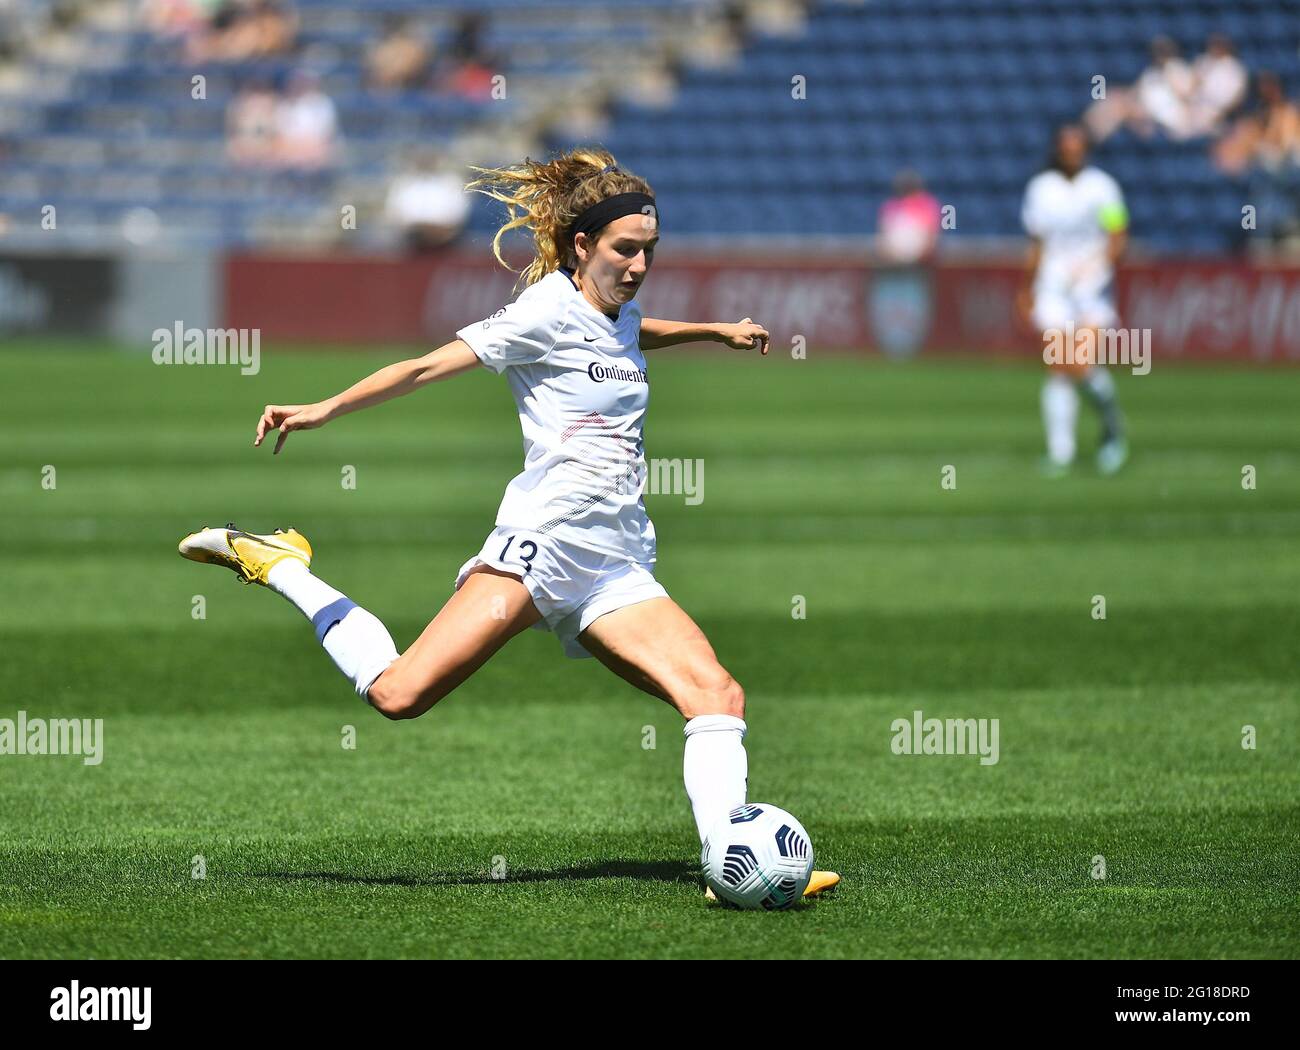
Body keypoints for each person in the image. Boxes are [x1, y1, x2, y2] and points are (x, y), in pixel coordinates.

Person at [177, 148, 839, 903]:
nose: (639, 265)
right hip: (542, 551)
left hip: (616, 561)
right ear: (582, 246)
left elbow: (629, 330)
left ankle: (733, 862)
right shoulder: (542, 312)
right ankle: (281, 563)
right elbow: (428, 366)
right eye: (625, 250)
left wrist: (711, 331)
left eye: (650, 251)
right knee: (398, 695)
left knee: (717, 697)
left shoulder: (612, 308)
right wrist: (325, 407)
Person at [1020, 125, 1129, 476]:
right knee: (1058, 366)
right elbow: (1036, 243)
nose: (1071, 152)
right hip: (1052, 288)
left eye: (1077, 145)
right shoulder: (1041, 189)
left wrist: (1098, 268)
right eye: (1066, 146)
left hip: (1091, 289)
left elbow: (1117, 235)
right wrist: (1025, 287)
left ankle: (1111, 423)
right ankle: (1061, 452)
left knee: (1079, 362)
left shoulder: (1102, 186)